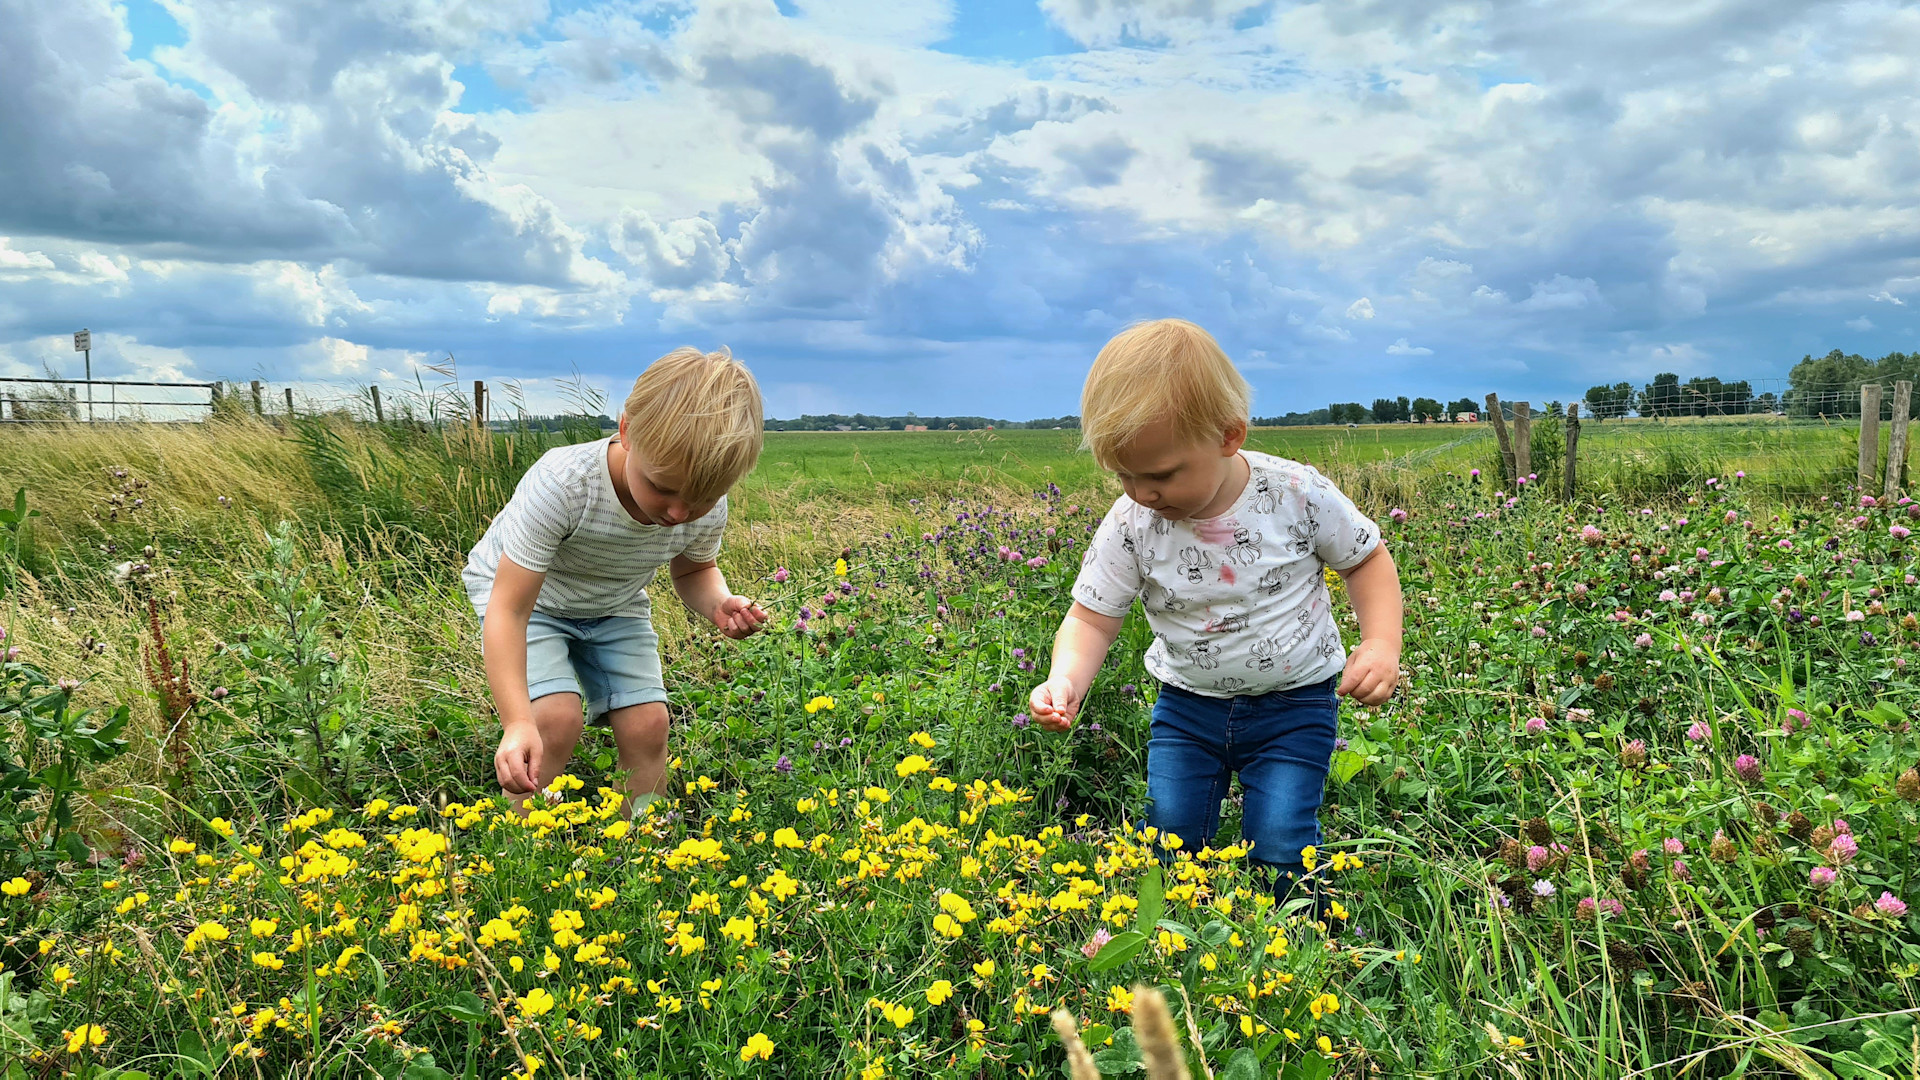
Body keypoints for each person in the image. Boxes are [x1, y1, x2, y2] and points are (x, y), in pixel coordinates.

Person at [1026, 318, 1403, 907]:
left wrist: (1380, 644)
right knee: (1170, 840)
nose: (1141, 492)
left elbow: (1366, 560)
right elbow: (1092, 617)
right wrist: (1065, 679)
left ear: (1229, 436)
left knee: (1280, 839)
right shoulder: (1131, 524)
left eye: (1160, 474)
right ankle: (1188, 953)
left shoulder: (1295, 493)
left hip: (1295, 702)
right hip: (1186, 709)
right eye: (1123, 475)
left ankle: (1302, 949)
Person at [465, 347, 769, 816]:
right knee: (553, 718)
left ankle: (641, 845)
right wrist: (516, 722)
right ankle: (523, 844)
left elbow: (693, 570)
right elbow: (509, 610)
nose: (678, 514)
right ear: (626, 431)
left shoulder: (702, 506)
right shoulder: (563, 485)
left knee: (649, 724)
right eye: (663, 488)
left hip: (616, 604)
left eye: (703, 498)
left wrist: (718, 604)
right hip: (534, 601)